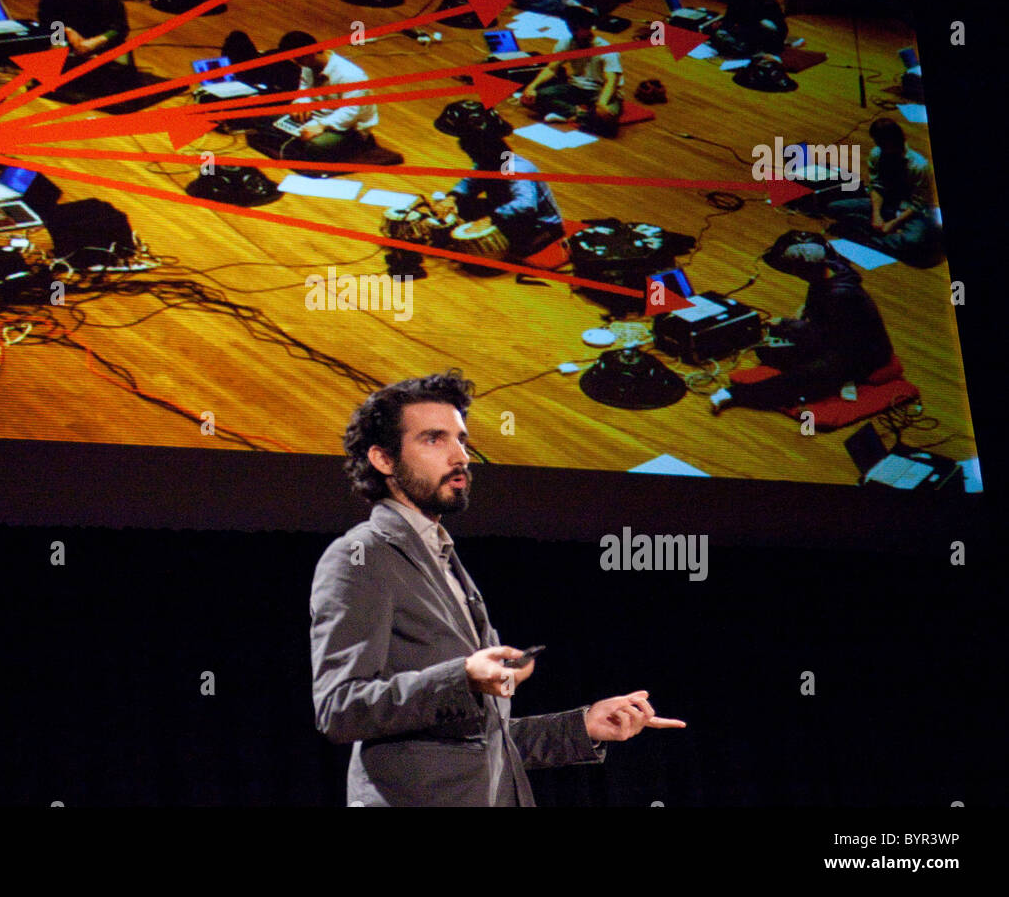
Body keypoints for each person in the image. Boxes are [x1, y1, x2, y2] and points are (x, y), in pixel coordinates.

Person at [310, 370, 685, 806]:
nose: (460, 456)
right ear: (383, 459)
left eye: (462, 440)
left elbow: (481, 745)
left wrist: (582, 727)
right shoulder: (360, 556)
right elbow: (340, 708)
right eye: (434, 439)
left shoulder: (445, 560)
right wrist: (462, 676)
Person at [710, 235, 895, 413]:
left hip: (860, 354)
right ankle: (836, 379)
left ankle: (734, 395)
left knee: (797, 380)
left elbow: (822, 334)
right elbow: (819, 311)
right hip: (840, 339)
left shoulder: (839, 295)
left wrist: (785, 324)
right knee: (767, 351)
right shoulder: (831, 270)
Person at [823, 117, 942, 266]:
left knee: (912, 240)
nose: (880, 147)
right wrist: (877, 215)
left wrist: (893, 223)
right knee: (833, 208)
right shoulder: (877, 154)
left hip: (913, 213)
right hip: (887, 205)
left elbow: (918, 204)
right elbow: (877, 187)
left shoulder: (919, 166)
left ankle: (867, 238)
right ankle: (879, 238)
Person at [448, 132, 566, 259]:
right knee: (462, 205)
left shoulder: (517, 168)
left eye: (474, 156)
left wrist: (490, 219)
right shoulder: (488, 162)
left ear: (486, 152)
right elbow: (469, 183)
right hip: (507, 211)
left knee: (516, 247)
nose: (473, 160)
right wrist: (452, 198)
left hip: (540, 224)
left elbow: (526, 205)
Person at [519, 7, 623, 136]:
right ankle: (580, 114)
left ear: (587, 28)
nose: (572, 32)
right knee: (535, 97)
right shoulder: (567, 43)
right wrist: (532, 86)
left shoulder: (607, 50)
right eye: (571, 28)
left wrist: (602, 103)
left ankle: (568, 114)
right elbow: (551, 68)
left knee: (609, 119)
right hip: (576, 87)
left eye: (576, 28)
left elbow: (611, 81)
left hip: (601, 91)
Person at [278, 30, 378, 160]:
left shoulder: (351, 75)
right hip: (317, 117)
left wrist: (321, 125)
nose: (298, 64)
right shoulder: (308, 64)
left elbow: (351, 112)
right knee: (264, 119)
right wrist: (300, 103)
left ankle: (359, 145)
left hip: (348, 127)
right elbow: (305, 89)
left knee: (314, 147)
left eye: (298, 59)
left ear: (311, 53)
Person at [709, 0, 787, 58]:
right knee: (719, 34)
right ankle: (746, 50)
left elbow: (780, 27)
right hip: (744, 34)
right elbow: (730, 16)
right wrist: (722, 23)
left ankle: (754, 51)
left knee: (765, 24)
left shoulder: (769, 3)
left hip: (763, 36)